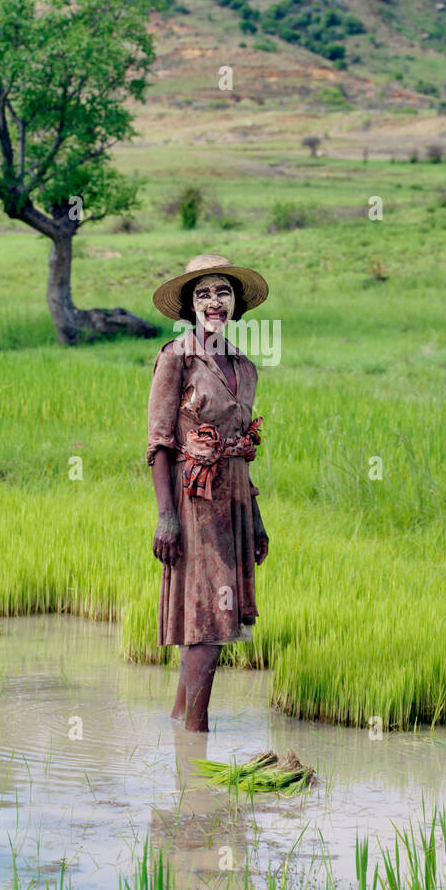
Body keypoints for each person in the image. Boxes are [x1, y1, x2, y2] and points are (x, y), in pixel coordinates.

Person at [146, 253, 270, 732]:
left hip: (235, 501)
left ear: (236, 304)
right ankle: (196, 741)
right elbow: (159, 443)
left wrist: (256, 518)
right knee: (208, 620)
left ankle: (181, 722)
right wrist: (165, 516)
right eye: (203, 294)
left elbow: (241, 446)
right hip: (193, 501)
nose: (214, 301)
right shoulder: (176, 358)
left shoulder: (243, 364)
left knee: (216, 615)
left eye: (223, 292)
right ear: (191, 307)